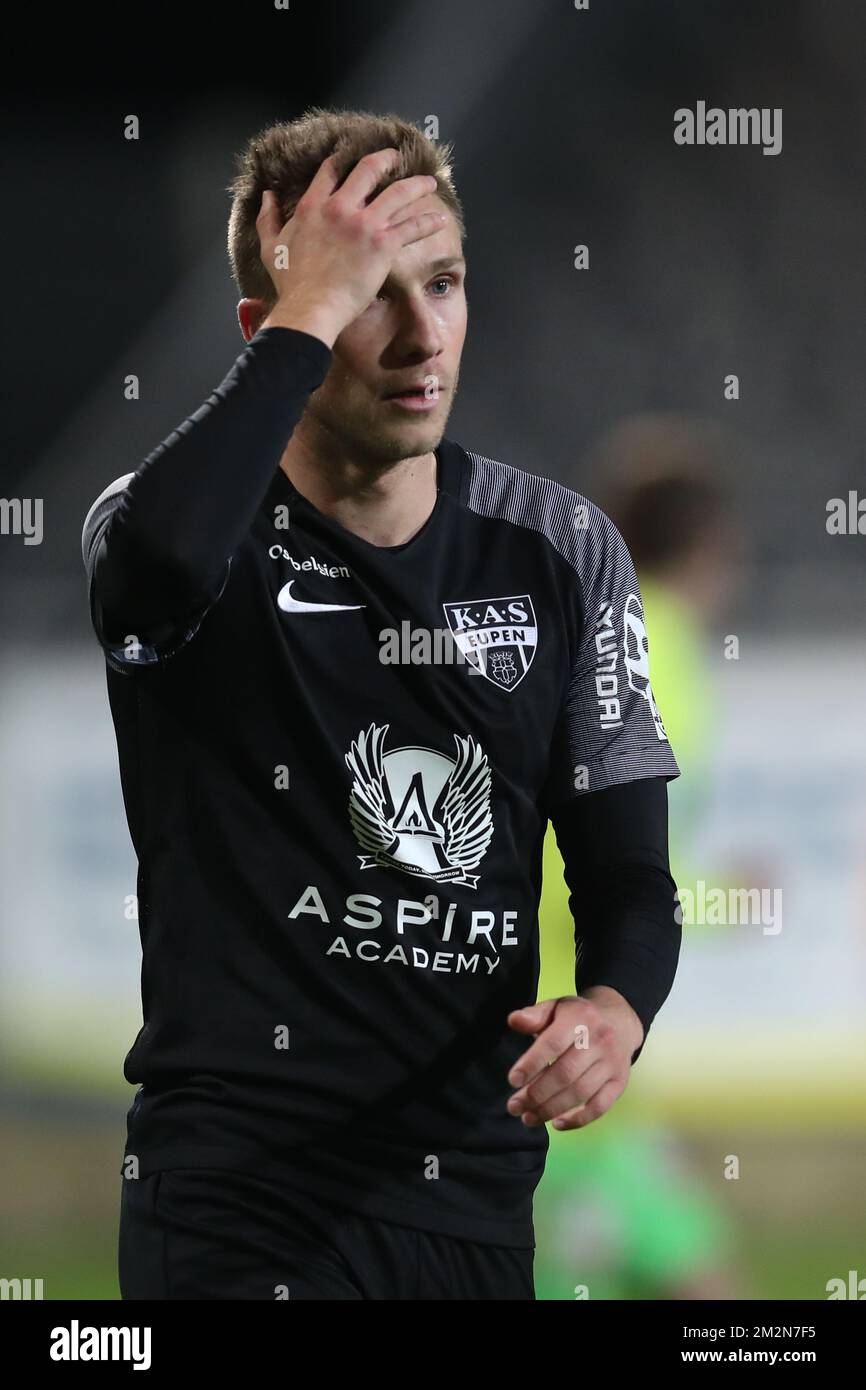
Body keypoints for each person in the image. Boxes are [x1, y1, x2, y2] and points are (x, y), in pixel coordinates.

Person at [80, 107, 681, 1301]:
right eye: (368, 294)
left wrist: (613, 1010)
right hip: (232, 1204)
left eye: (444, 283)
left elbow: (626, 883)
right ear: (275, 334)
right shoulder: (178, 532)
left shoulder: (559, 550)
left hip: (470, 1208)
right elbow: (146, 583)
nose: (420, 337)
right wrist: (305, 306)